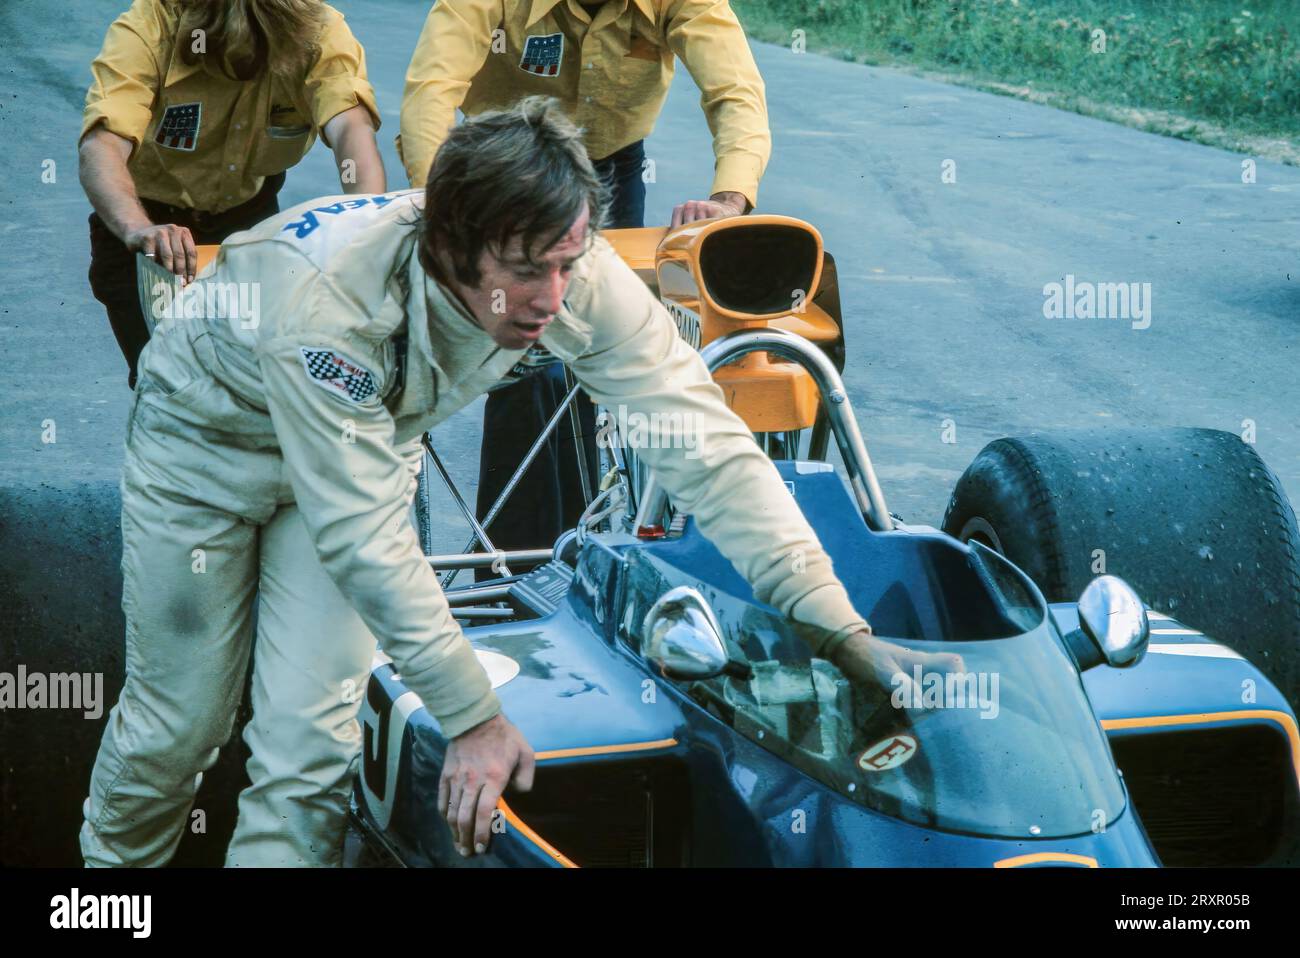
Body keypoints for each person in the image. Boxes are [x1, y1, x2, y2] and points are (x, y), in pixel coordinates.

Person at [80, 97, 879, 868]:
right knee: (176, 728)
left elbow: (707, 447)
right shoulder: (330, 305)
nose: (552, 298)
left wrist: (836, 625)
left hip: (362, 445)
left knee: (310, 747)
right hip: (204, 452)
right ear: (452, 245)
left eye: (567, 265)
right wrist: (474, 718)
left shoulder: (567, 263)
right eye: (528, 272)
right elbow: (363, 538)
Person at [398, 0, 773, 558]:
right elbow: (432, 90)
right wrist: (446, 213)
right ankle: (516, 572)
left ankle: (612, 544)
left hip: (612, 167)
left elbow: (735, 92)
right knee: (525, 362)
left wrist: (728, 200)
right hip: (506, 168)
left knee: (618, 353)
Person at [80, 0, 386, 389]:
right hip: (151, 233)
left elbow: (350, 130)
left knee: (258, 385)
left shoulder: (316, 28)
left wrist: (370, 227)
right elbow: (101, 146)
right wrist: (138, 228)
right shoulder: (148, 28)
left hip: (245, 225)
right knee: (172, 389)